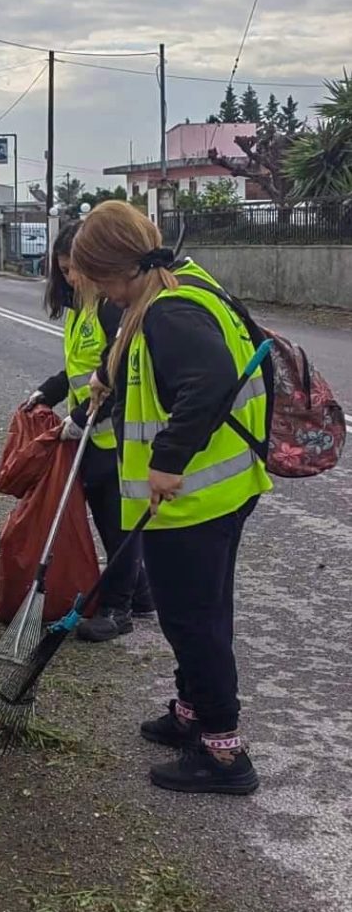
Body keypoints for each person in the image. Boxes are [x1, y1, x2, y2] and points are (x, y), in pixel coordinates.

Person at [70, 202, 271, 797]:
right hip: (219, 492)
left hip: (195, 500)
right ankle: (192, 710)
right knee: (200, 613)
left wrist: (165, 462)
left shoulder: (171, 311)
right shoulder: (178, 284)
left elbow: (205, 381)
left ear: (118, 269)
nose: (100, 293)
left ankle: (222, 750)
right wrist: (108, 375)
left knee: (194, 621)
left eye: (100, 280)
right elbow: (160, 365)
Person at [30, 220, 154, 643]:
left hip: (113, 438)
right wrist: (49, 391)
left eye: (75, 268)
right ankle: (141, 593)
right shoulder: (80, 311)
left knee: (116, 525)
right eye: (64, 270)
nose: (71, 278)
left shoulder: (108, 308)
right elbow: (82, 370)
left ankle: (118, 610)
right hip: (93, 438)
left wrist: (80, 419)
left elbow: (116, 375)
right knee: (109, 524)